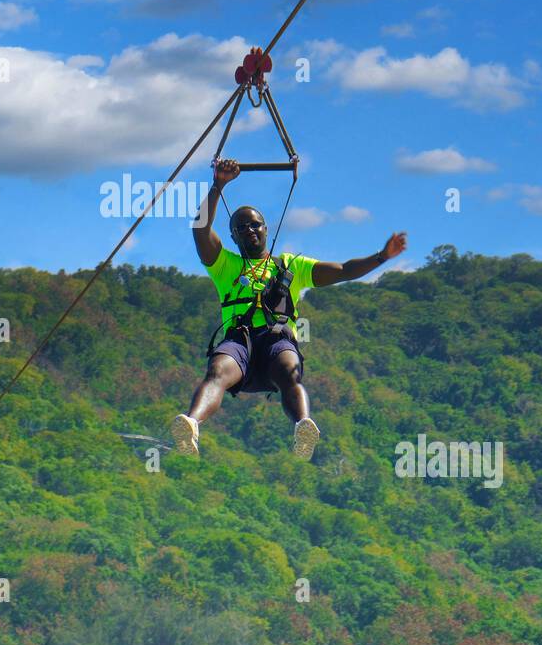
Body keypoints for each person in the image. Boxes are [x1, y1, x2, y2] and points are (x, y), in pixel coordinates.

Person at [171, 158, 407, 461]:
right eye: (241, 227)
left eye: (255, 224)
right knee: (217, 371)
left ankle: (302, 428)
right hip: (239, 341)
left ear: (266, 229)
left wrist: (381, 257)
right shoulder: (224, 264)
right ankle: (191, 424)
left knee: (288, 370)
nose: (249, 230)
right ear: (233, 236)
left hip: (275, 339)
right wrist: (217, 186)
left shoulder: (291, 265)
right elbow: (200, 229)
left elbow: (344, 270)